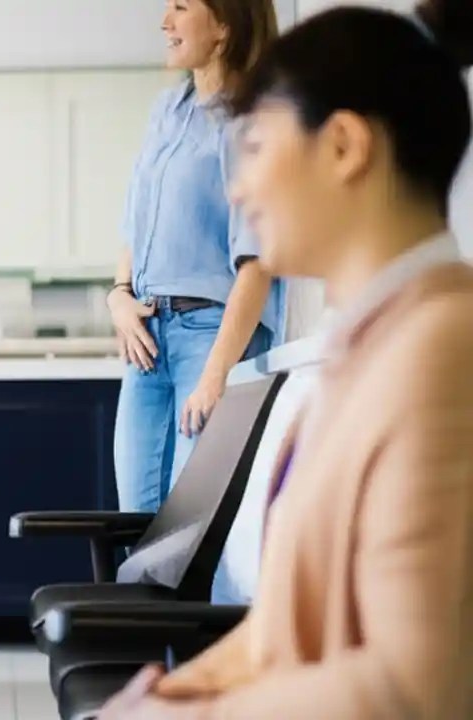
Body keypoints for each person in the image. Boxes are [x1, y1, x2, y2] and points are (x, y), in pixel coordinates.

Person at [100, 1, 473, 717]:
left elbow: (410, 685)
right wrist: (174, 691)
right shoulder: (358, 352)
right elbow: (283, 624)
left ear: (342, 148)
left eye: (259, 149)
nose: (237, 187)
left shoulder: (439, 361)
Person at [111, 0, 286, 518]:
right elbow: (134, 222)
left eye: (181, 7)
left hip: (211, 337)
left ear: (225, 28)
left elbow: (257, 263)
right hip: (145, 340)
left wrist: (216, 377)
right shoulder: (167, 110)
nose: (165, 22)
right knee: (134, 521)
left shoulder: (252, 120)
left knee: (191, 527)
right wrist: (119, 294)